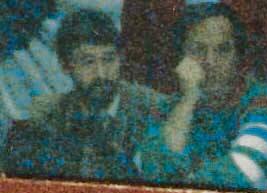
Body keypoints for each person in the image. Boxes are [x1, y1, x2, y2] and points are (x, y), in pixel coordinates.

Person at [0, 8, 167, 181]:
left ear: (120, 58)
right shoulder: (49, 116)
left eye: (109, 59)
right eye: (88, 62)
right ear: (65, 65)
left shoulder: (153, 108)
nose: (101, 73)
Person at [141, 1, 267, 190]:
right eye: (198, 50)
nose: (210, 62)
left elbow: (239, 175)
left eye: (223, 50)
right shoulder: (169, 109)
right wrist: (189, 99)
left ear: (238, 56)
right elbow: (152, 171)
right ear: (181, 56)